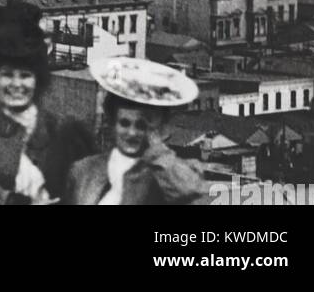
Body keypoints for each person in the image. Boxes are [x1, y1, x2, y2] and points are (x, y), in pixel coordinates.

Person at [0, 0, 94, 205]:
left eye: (25, 75)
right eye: (7, 75)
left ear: (37, 79)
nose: (16, 84)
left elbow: (88, 185)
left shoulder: (64, 131)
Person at [65, 59, 210, 206]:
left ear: (153, 129)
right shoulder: (84, 170)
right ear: (113, 124)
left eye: (141, 125)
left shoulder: (164, 175)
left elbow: (188, 189)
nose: (132, 133)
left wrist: (157, 149)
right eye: (124, 123)